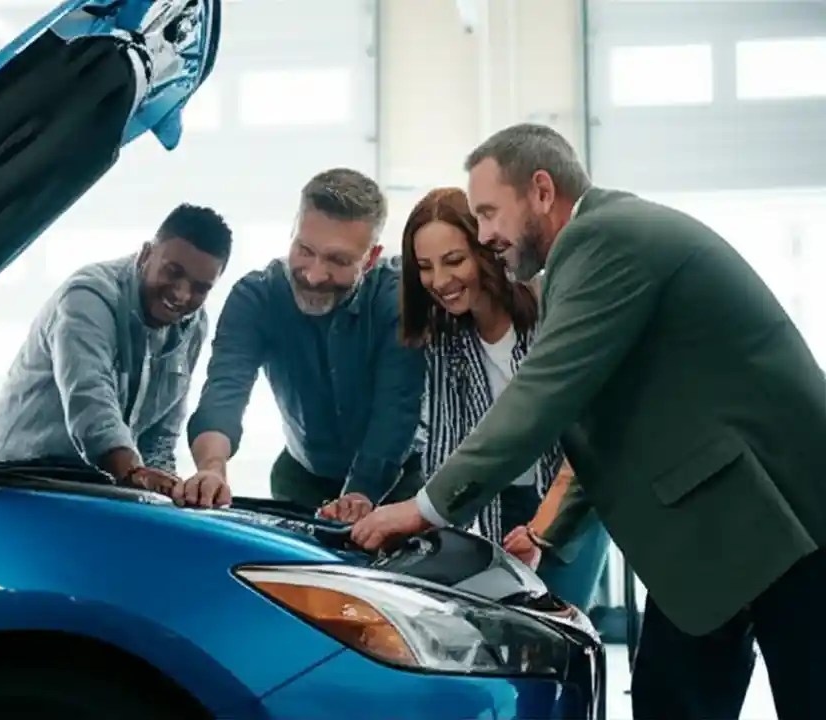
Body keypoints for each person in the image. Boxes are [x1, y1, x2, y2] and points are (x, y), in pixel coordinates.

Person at [348, 123, 826, 720]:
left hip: (783, 519)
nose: (486, 235)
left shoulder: (606, 240)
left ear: (541, 192)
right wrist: (550, 533)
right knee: (670, 699)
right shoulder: (589, 256)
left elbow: (543, 394)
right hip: (721, 531)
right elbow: (594, 417)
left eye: (490, 213)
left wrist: (426, 508)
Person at [337, 186, 609, 610]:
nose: (440, 281)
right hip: (493, 504)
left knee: (558, 631)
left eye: (454, 260)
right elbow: (448, 448)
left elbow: (589, 445)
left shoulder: (550, 311)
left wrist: (542, 530)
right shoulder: (444, 337)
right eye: (425, 267)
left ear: (484, 248)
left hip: (568, 503)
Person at [172, 168, 426, 520]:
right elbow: (224, 391)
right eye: (305, 250)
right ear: (292, 232)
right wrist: (212, 468)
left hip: (399, 482)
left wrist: (359, 494)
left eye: (338, 260)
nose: (315, 274)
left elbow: (396, 411)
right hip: (301, 479)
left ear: (370, 257)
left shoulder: (398, 300)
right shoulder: (255, 297)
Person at [0, 203, 232, 494]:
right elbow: (90, 400)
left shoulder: (193, 324)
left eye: (200, 288)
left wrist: (169, 490)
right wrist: (135, 473)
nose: (181, 294)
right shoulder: (87, 298)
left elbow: (161, 435)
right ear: (145, 254)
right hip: (21, 485)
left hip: (104, 488)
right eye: (173, 272)